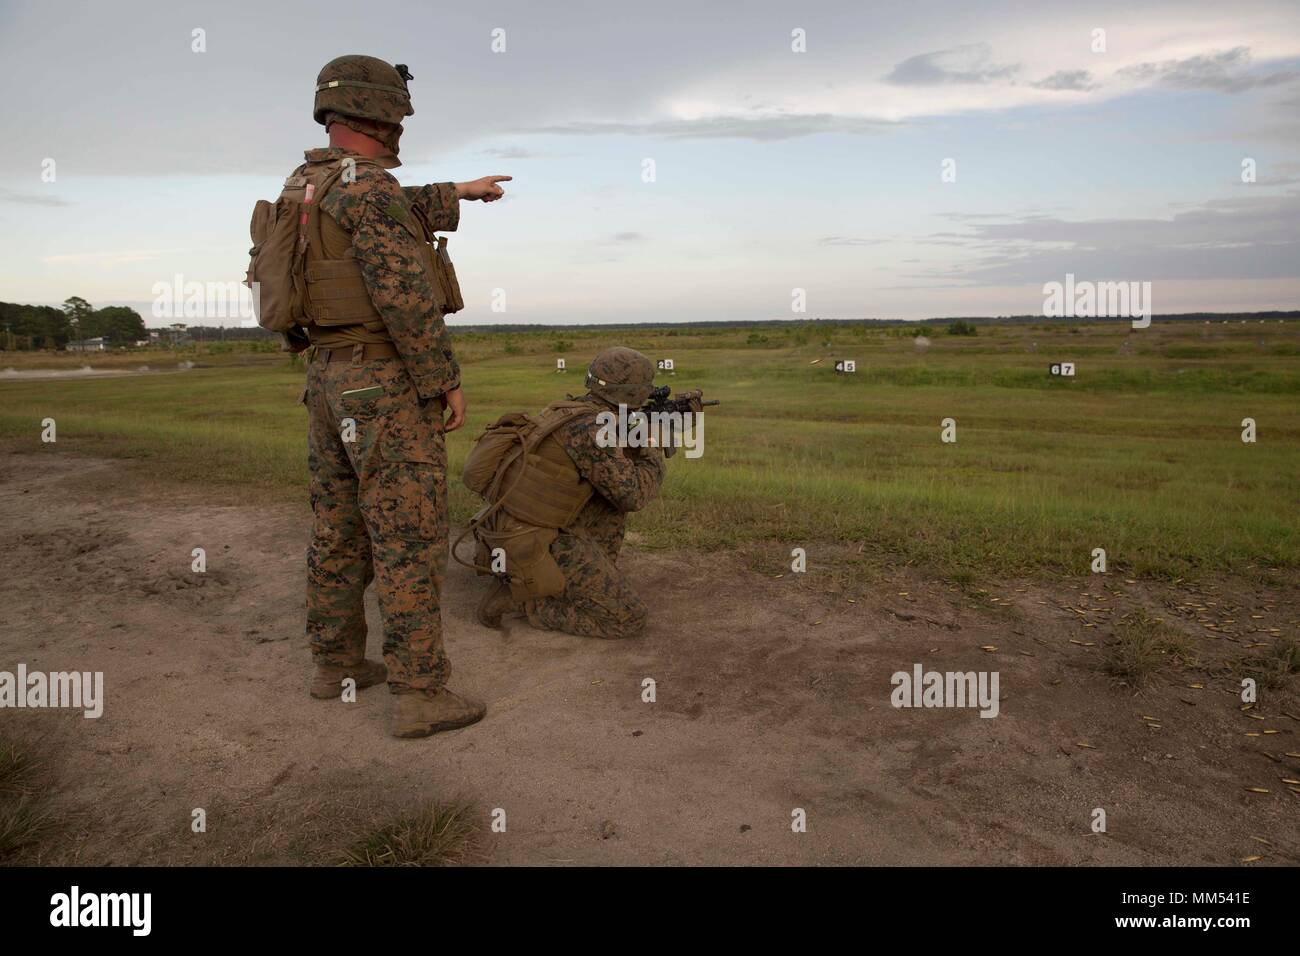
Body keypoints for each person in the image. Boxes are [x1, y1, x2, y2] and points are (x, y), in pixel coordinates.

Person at [293, 54, 509, 738]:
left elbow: (392, 210)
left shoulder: (311, 182)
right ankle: (420, 694)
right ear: (382, 115)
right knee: (408, 534)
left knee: (339, 526)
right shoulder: (370, 188)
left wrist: (459, 192)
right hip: (382, 387)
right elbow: (405, 295)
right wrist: (443, 379)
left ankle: (337, 664)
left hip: (328, 380)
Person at [470, 347, 698, 639]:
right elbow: (633, 495)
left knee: (609, 500)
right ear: (634, 393)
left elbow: (610, 476)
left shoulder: (574, 411)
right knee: (627, 619)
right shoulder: (593, 427)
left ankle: (564, 577)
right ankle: (528, 603)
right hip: (533, 539)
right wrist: (654, 444)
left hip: (519, 527)